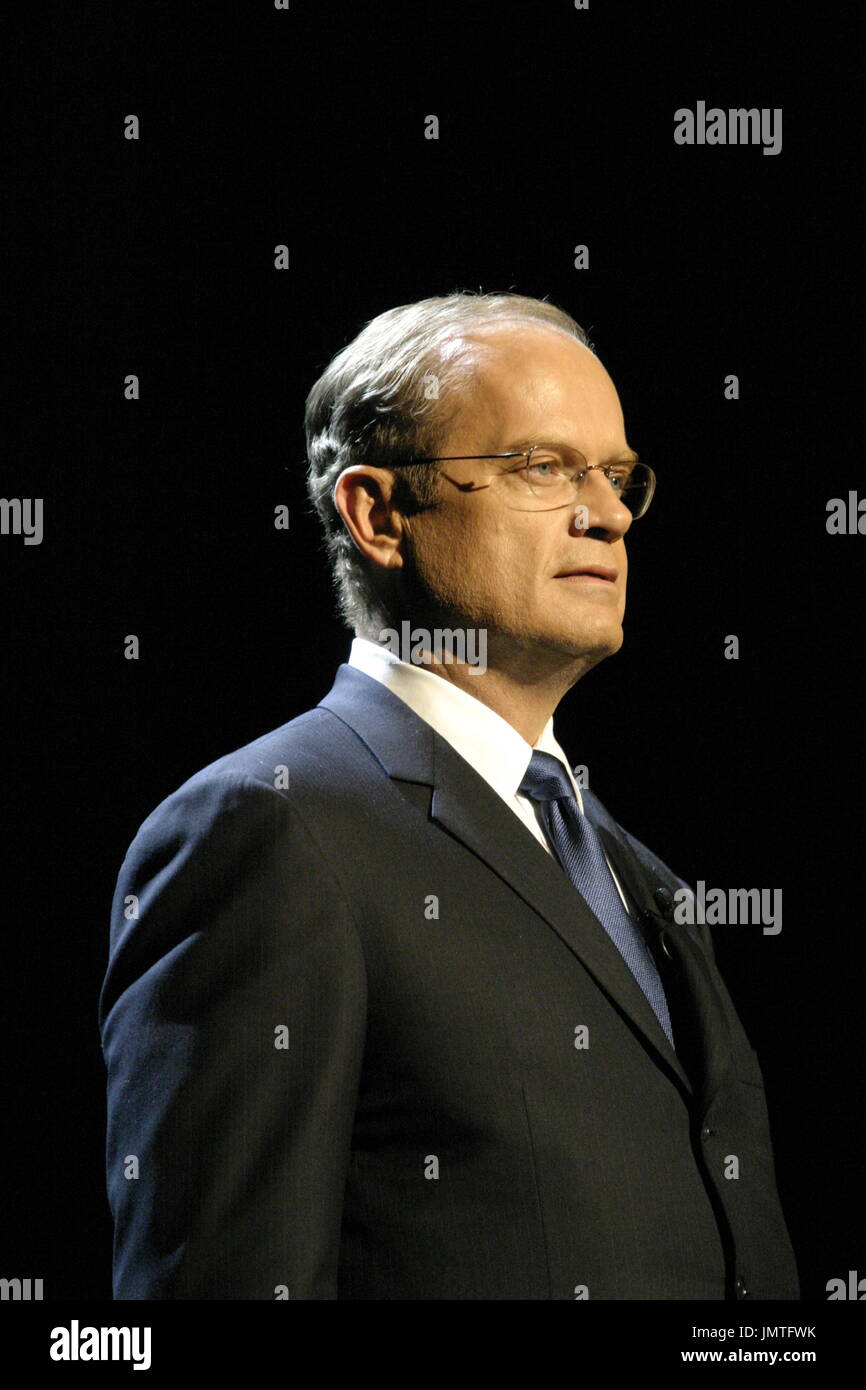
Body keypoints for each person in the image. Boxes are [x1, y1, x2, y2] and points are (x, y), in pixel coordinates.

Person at [99, 291, 799, 1300]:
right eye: (539, 465)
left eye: (615, 475)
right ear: (378, 515)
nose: (603, 512)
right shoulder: (267, 828)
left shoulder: (636, 874)